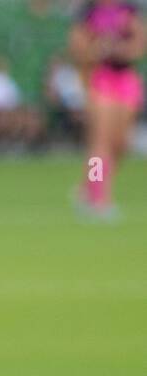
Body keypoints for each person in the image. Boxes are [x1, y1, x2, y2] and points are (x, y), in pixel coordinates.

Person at [70, 0, 146, 219]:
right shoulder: (88, 11)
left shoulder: (129, 10)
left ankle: (88, 186)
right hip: (100, 77)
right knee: (100, 143)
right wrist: (98, 50)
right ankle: (97, 198)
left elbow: (139, 44)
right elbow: (78, 48)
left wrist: (122, 49)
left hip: (126, 80)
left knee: (121, 143)